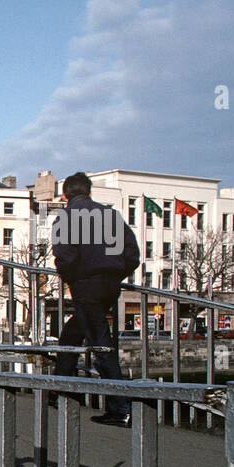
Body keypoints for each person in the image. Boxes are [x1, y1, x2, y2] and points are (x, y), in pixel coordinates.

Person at [51, 172, 140, 427]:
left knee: (101, 347)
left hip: (86, 286)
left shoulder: (67, 217)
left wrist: (74, 277)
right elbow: (132, 254)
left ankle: (121, 408)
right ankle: (60, 389)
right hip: (110, 286)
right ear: (90, 192)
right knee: (71, 334)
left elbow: (65, 256)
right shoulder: (110, 216)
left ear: (65, 195)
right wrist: (113, 272)